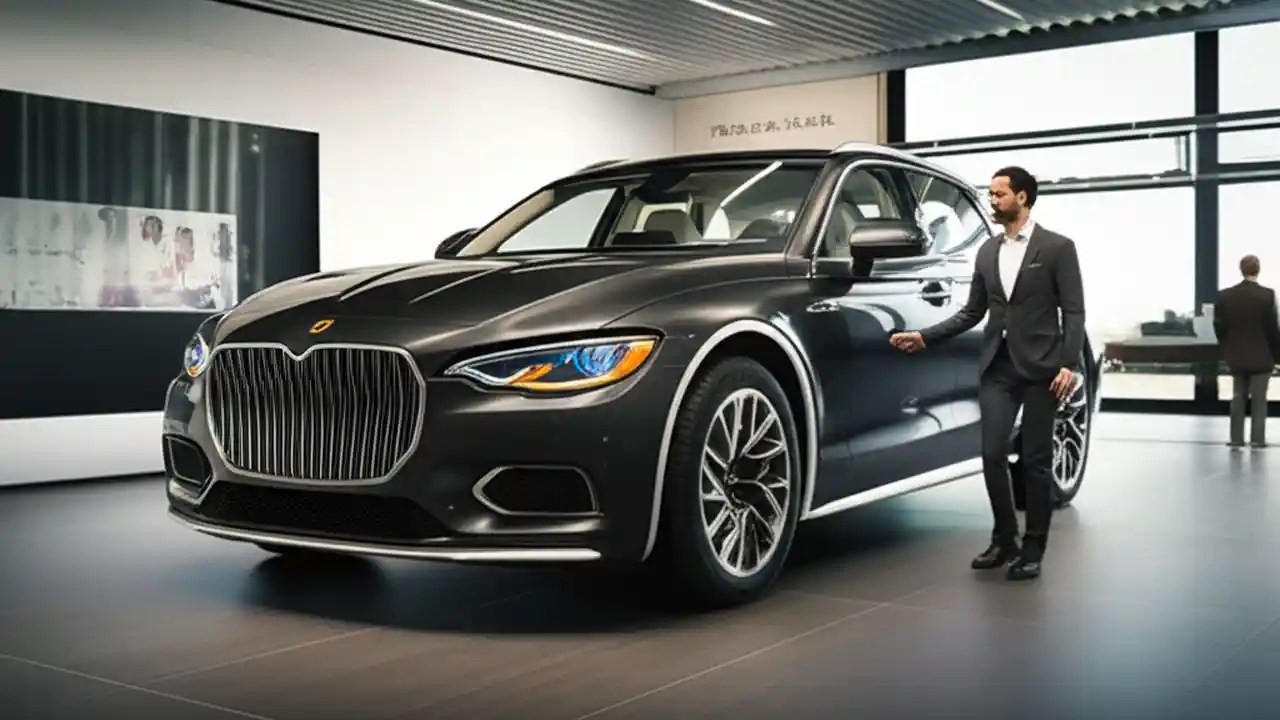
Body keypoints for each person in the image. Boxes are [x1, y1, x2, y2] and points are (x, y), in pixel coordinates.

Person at [889, 166, 1085, 581]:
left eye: (1000, 194)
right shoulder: (987, 251)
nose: (992, 200)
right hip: (998, 366)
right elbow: (972, 312)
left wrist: (1068, 364)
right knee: (992, 454)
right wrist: (926, 337)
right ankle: (1004, 540)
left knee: (1034, 462)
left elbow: (1074, 311)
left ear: (1024, 198)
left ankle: (1033, 549)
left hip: (1042, 370)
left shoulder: (1057, 248)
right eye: (991, 193)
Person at [1213, 254, 1280, 448]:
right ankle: (1257, 440)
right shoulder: (1267, 295)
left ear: (1240, 270)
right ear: (1258, 270)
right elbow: (1273, 330)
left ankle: (1236, 439)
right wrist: (1277, 357)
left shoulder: (1225, 296)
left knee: (1238, 397)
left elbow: (1219, 326)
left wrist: (1228, 347)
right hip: (1262, 357)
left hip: (1237, 357)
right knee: (1259, 400)